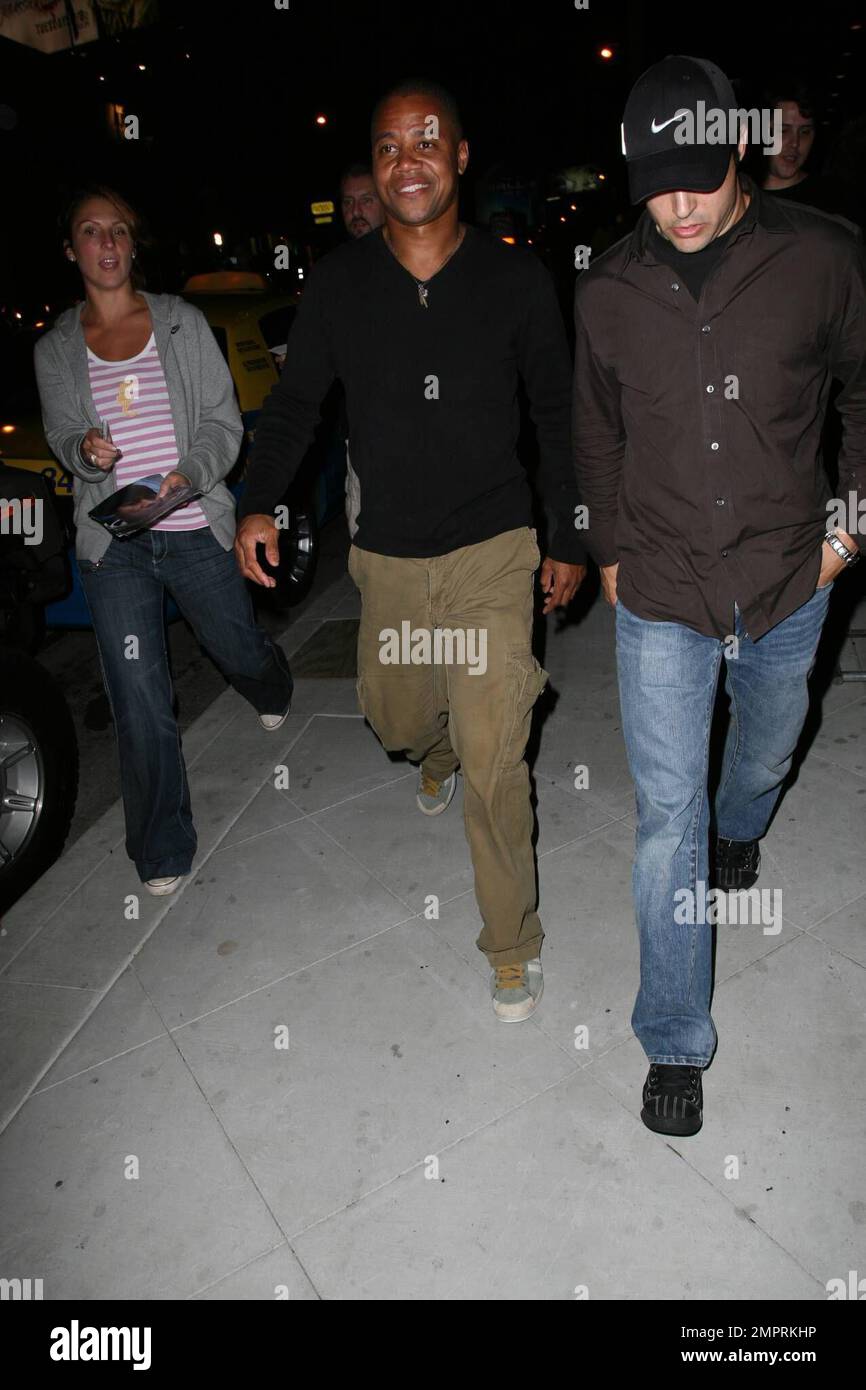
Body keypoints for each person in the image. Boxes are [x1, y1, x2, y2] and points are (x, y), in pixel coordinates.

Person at [236, 79, 586, 1021]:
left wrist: (571, 531)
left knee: (494, 752)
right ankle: (428, 749)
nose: (407, 160)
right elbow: (297, 404)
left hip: (493, 550)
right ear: (374, 170)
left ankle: (512, 945)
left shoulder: (515, 280)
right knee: (399, 722)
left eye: (426, 142)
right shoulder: (340, 284)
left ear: (461, 157)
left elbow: (556, 415)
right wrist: (258, 499)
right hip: (388, 555)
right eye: (387, 147)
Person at [573, 56, 866, 1135]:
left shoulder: (823, 259)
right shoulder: (605, 289)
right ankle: (673, 1037)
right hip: (659, 585)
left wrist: (850, 529)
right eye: (654, 184)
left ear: (737, 148)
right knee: (665, 817)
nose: (677, 206)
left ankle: (745, 822)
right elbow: (593, 430)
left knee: (767, 743)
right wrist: (606, 549)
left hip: (791, 572)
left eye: (695, 176)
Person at [35, 186, 293, 896]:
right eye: (91, 231)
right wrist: (86, 451)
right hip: (113, 544)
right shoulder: (55, 348)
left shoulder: (181, 322)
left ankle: (269, 679)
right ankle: (161, 845)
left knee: (235, 642)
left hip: (189, 522)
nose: (108, 243)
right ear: (71, 249)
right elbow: (62, 435)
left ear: (133, 242)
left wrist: (185, 476)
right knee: (138, 692)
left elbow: (222, 422)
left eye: (118, 230)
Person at [339, 162, 386, 538]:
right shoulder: (337, 277)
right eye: (348, 202)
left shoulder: (413, 261)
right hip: (364, 447)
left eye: (366, 200)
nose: (356, 212)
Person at [761, 81, 864, 227]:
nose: (795, 143)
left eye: (805, 132)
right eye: (783, 130)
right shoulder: (738, 195)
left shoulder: (836, 200)